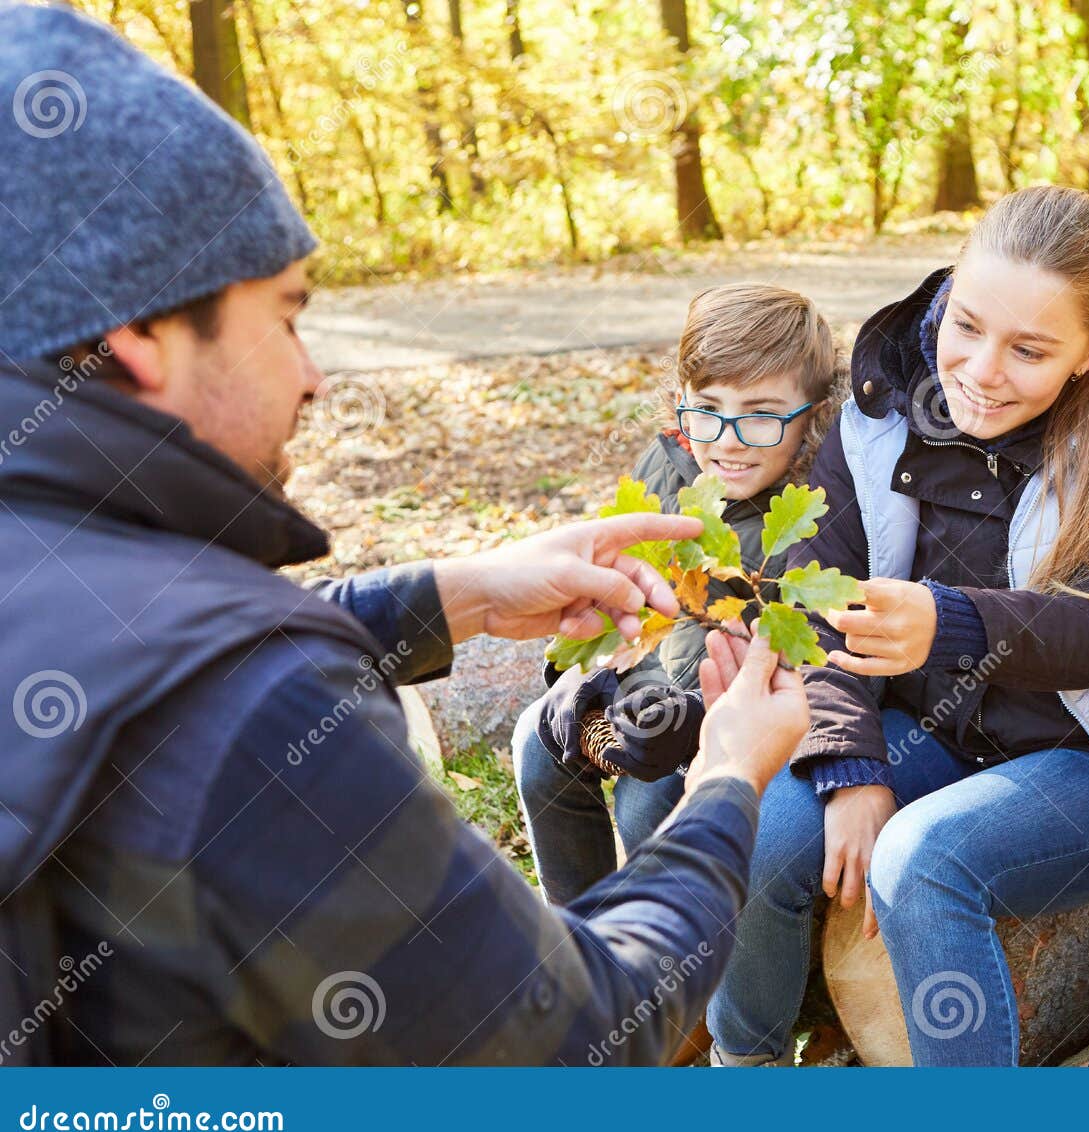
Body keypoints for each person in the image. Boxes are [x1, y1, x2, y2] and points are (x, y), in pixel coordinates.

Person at [0, 4, 805, 1066]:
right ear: (140, 335)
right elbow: (553, 1047)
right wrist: (724, 782)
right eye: (285, 316)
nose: (313, 375)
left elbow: (128, 644)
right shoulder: (249, 708)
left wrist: (454, 591)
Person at [705, 185, 1089, 1066]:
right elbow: (814, 598)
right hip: (924, 735)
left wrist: (949, 623)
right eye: (968, 327)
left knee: (921, 859)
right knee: (760, 826)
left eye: (1029, 350)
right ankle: (743, 1064)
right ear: (945, 300)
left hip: (1086, 762)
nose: (981, 369)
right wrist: (853, 763)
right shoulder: (879, 413)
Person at [514, 284, 844, 905]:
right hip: (648, 694)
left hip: (744, 723)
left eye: (761, 413)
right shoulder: (668, 465)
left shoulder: (824, 516)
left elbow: (814, 669)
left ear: (815, 413)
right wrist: (583, 678)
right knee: (535, 743)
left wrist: (689, 719)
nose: (727, 440)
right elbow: (619, 592)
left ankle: (676, 968)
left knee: (648, 807)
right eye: (707, 410)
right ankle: (582, 939)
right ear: (681, 403)